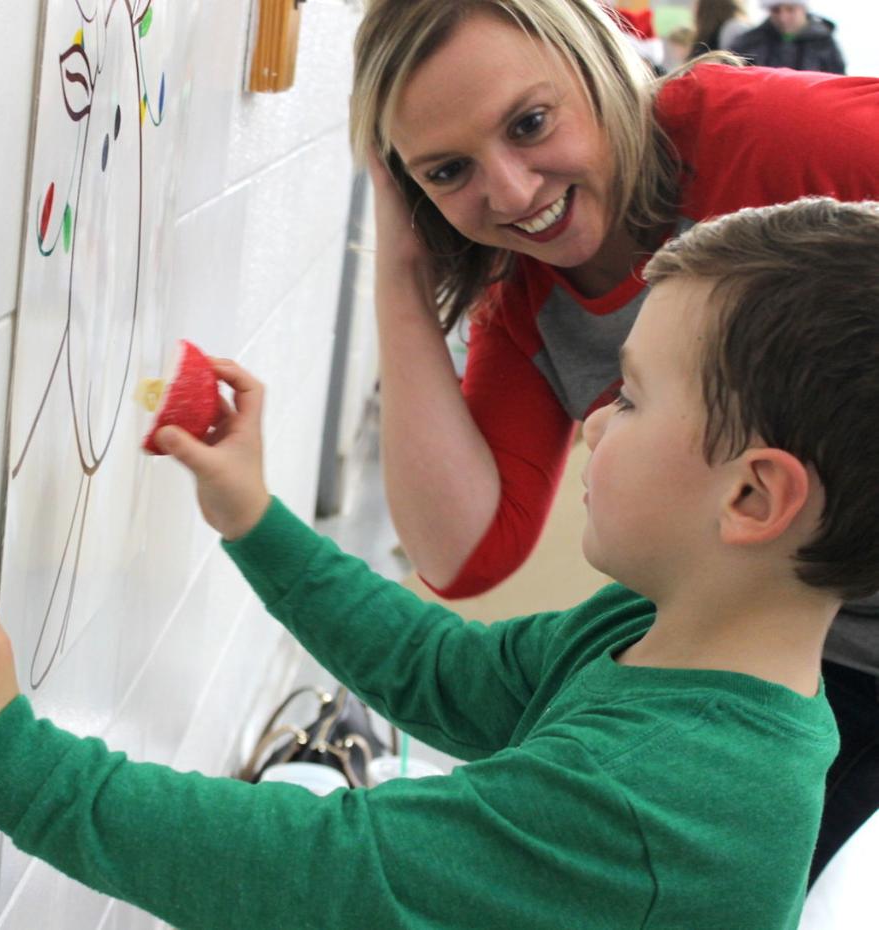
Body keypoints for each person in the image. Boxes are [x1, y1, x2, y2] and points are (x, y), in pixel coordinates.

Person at [0, 198, 879, 929]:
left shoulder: (666, 801)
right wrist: (255, 517)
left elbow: (318, 875)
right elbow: (442, 672)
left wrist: (12, 759)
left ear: (751, 497)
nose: (597, 417)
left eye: (635, 396)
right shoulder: (659, 633)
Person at [349, 0, 878, 883]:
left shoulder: (758, 132)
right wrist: (402, 272)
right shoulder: (523, 296)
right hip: (762, 647)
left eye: (530, 122)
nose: (512, 193)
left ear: (595, 62)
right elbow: (461, 552)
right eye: (447, 171)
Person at [729, 1, 846, 74]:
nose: (783, 17)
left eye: (790, 9)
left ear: (803, 9)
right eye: (776, 10)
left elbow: (838, 83)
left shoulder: (824, 42)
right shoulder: (750, 41)